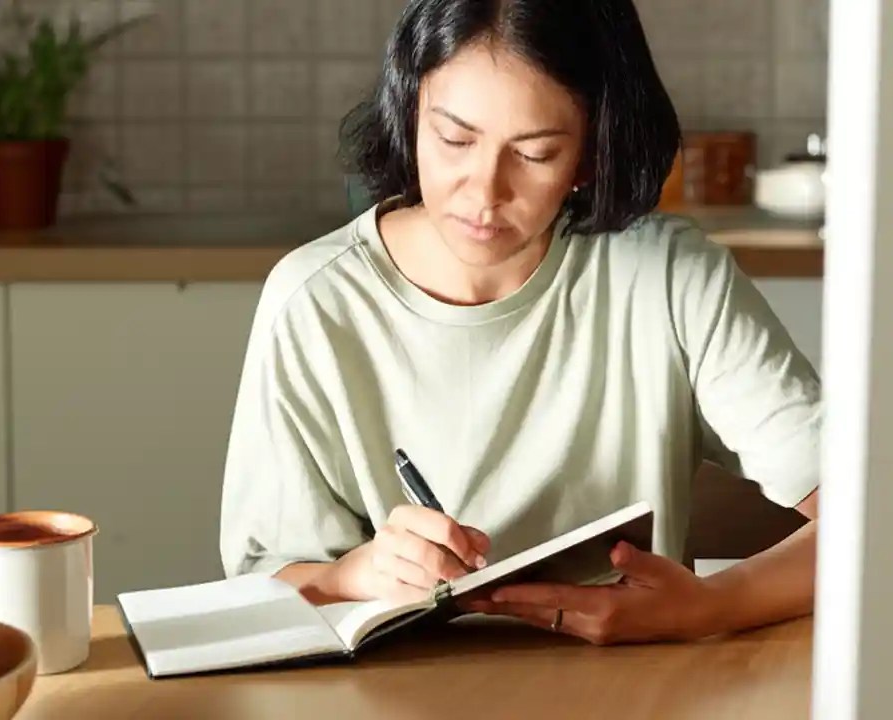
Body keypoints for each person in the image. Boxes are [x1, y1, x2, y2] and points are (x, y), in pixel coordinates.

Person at [218, 0, 820, 646]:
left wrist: (709, 606)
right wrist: (352, 575)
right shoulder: (314, 303)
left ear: (591, 152)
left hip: (634, 696)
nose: (483, 193)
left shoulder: (670, 279)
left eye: (534, 155)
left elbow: (874, 518)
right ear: (409, 108)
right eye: (453, 139)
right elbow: (255, 592)